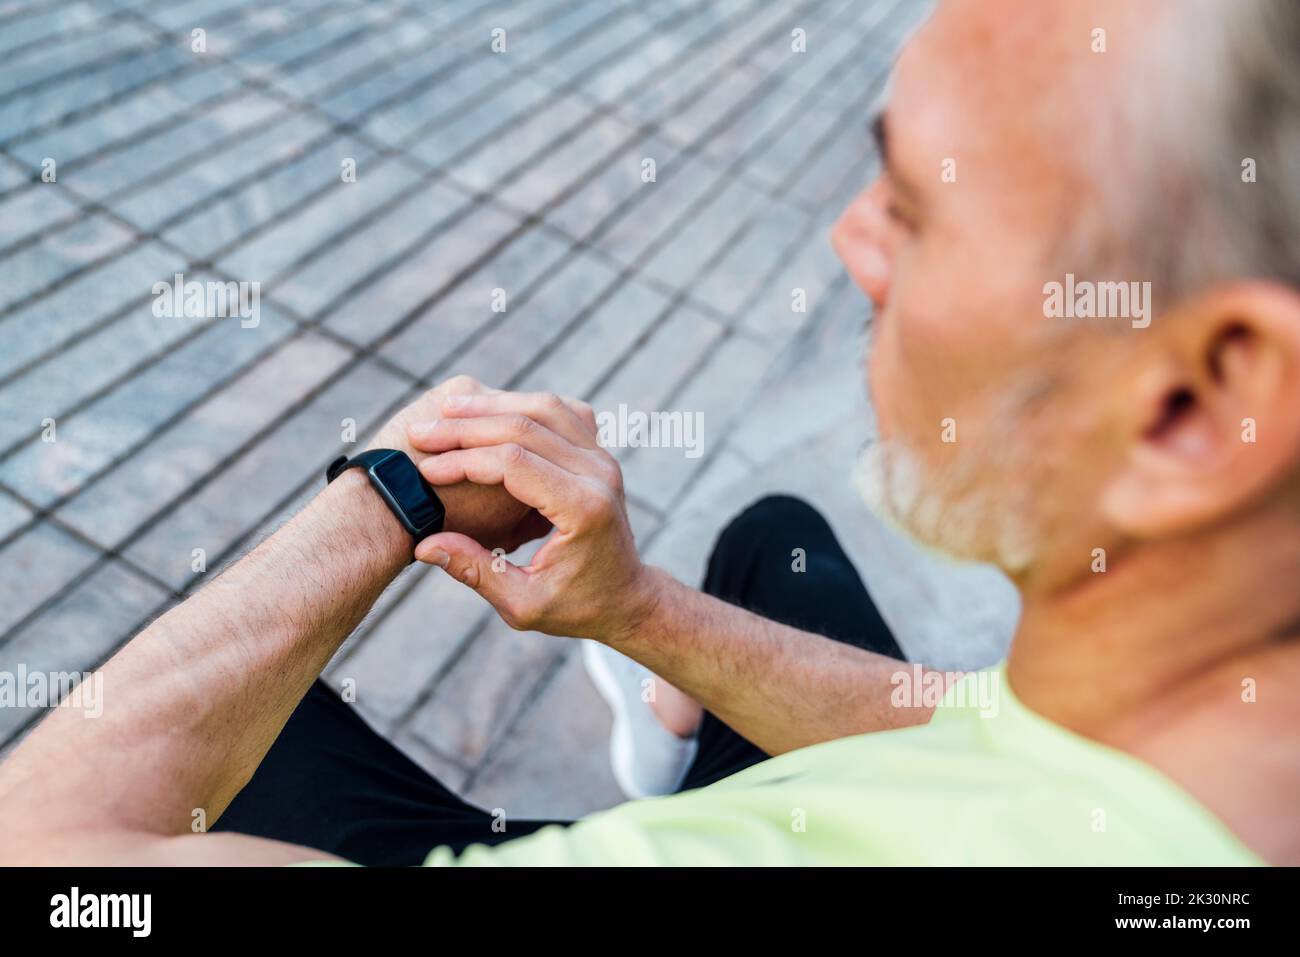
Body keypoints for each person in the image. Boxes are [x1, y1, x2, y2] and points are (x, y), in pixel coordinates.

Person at [2, 0, 1297, 865]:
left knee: (232, 715)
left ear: (1205, 402)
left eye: (914, 209)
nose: (851, 242)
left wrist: (388, 488)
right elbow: (988, 728)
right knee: (775, 542)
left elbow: (51, 860)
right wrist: (632, 607)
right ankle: (665, 721)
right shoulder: (1179, 743)